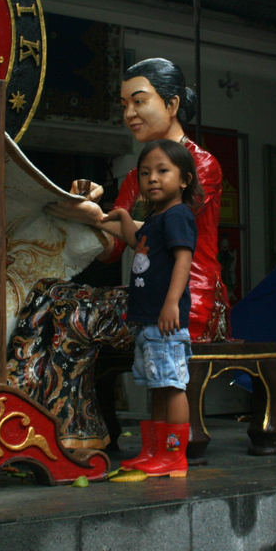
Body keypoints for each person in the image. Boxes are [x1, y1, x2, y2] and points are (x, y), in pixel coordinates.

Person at [56, 57, 231, 342]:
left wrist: (97, 217)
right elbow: (112, 250)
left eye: (138, 102)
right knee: (58, 303)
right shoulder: (135, 176)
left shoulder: (201, 165)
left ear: (171, 105)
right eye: (124, 105)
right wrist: (82, 210)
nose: (129, 114)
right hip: (144, 291)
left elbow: (162, 235)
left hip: (188, 295)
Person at [103, 139, 200, 477]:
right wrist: (123, 215)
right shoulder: (157, 217)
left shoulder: (178, 214)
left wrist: (172, 303)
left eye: (162, 171)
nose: (152, 179)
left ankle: (174, 456)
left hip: (165, 320)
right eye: (145, 173)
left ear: (184, 180)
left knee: (172, 384)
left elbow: (184, 259)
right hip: (148, 321)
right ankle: (155, 451)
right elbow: (135, 241)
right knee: (158, 385)